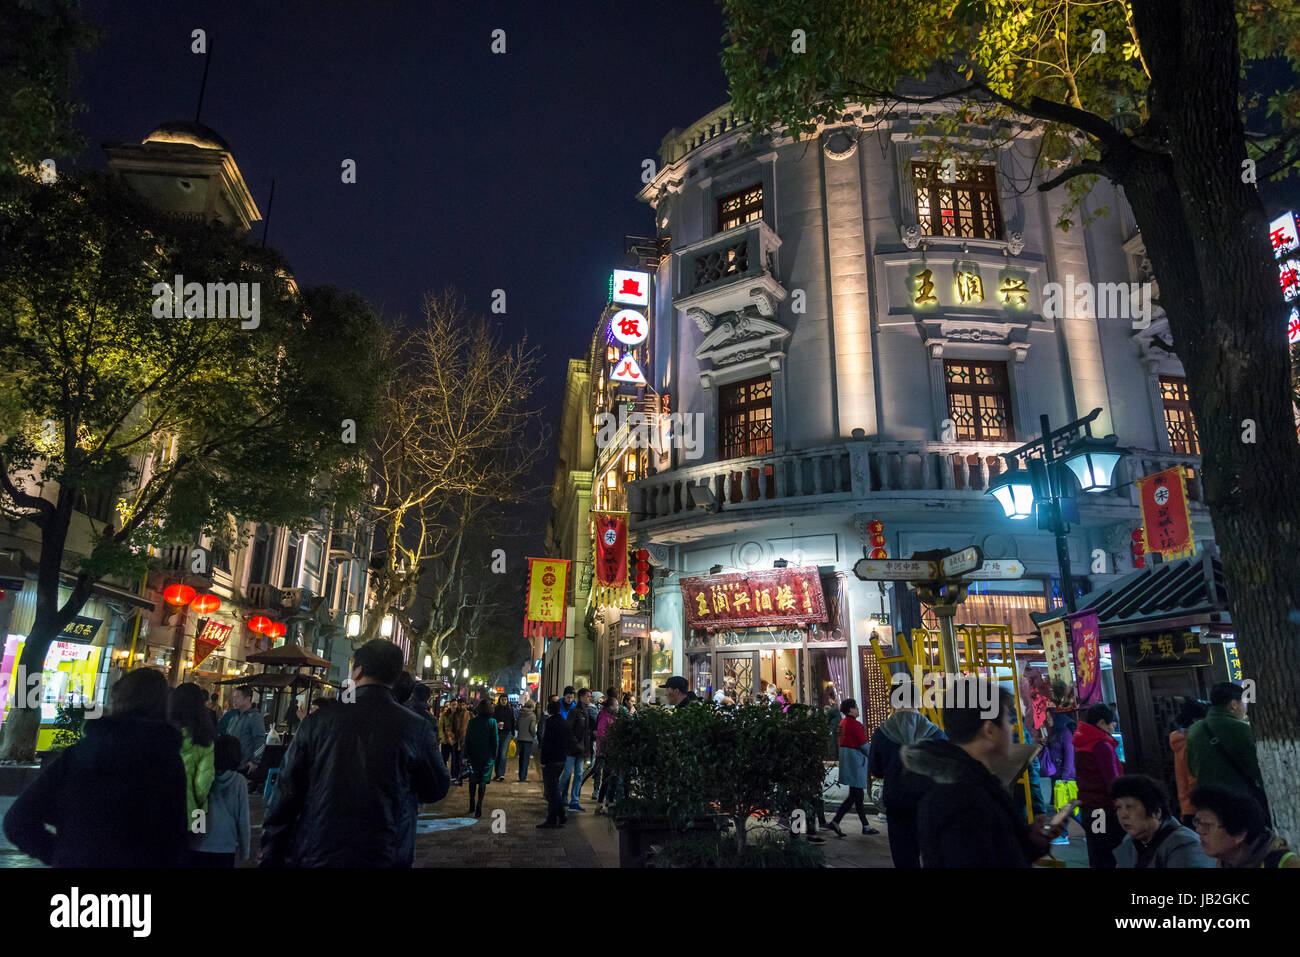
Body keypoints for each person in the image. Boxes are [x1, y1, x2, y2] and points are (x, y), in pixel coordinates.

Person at [260, 638, 450, 867]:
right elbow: (436, 787)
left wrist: (272, 854)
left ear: (358, 672)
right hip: (385, 852)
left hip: (319, 851)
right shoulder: (416, 728)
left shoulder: (318, 721)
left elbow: (285, 794)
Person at [3, 668, 188, 867]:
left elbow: (17, 821)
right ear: (163, 705)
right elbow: (172, 838)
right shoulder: (166, 759)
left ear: (117, 699)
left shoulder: (81, 753)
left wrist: (63, 854)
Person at [903, 678, 1065, 867]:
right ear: (989, 730)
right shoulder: (963, 801)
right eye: (1007, 720)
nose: (1010, 728)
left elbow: (999, 853)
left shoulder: (975, 783)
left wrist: (1032, 841)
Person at [868, 678, 945, 867]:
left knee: (904, 860)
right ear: (918, 701)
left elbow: (876, 769)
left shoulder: (882, 733)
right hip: (931, 807)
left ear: (893, 702)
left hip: (898, 808)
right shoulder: (936, 733)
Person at [1185, 682, 1269, 818]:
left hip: (1208, 804)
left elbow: (1192, 769)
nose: (1245, 708)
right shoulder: (1241, 729)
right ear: (1234, 704)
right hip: (1239, 803)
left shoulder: (1194, 730)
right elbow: (1258, 769)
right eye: (1244, 703)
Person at [1111, 774, 1213, 868]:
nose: (1123, 815)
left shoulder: (1185, 844)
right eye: (1119, 807)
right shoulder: (1129, 841)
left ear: (1156, 812)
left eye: (1130, 807)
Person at [1191, 785, 1297, 868]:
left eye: (1207, 825)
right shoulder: (1224, 863)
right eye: (1197, 822)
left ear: (1239, 834)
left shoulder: (1285, 864)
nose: (1199, 830)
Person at [1074, 702, 1125, 868]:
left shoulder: (1082, 743)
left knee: (1097, 850)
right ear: (1101, 723)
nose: (1114, 726)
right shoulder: (1101, 745)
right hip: (1103, 808)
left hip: (1090, 808)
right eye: (1111, 722)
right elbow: (1112, 779)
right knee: (1108, 851)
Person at [169, 682, 216, 856]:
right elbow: (202, 786)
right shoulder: (204, 739)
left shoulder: (162, 733)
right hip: (195, 815)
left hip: (163, 810)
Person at [193, 734, 251, 867]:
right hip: (225, 846)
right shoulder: (239, 782)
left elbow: (197, 808)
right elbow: (243, 819)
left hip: (198, 845)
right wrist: (244, 850)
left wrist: (195, 837)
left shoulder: (203, 776)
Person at [825, 699, 879, 837]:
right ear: (850, 710)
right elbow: (864, 745)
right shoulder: (856, 725)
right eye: (856, 707)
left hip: (846, 761)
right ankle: (839, 822)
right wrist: (875, 756)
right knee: (856, 795)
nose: (858, 709)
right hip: (856, 762)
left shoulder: (841, 724)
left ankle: (861, 825)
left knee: (856, 795)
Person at [1170, 698, 1208, 826]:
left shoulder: (1180, 740)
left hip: (1187, 805)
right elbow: (1194, 779)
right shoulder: (1192, 743)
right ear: (1195, 721)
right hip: (1199, 806)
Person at [536, 700, 570, 829]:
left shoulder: (550, 722)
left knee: (552, 790)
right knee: (554, 788)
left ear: (549, 710)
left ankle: (552, 818)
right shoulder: (564, 722)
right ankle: (561, 815)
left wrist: (543, 760)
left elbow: (547, 743)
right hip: (561, 759)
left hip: (551, 760)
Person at [218, 685, 266, 776]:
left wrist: (254, 761)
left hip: (244, 766)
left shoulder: (255, 718)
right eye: (234, 697)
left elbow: (261, 742)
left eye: (237, 697)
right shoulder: (234, 717)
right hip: (230, 766)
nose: (234, 700)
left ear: (247, 699)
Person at [463, 699, 498, 818]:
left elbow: (467, 739)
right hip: (487, 756)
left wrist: (465, 755)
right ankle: (479, 804)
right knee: (483, 780)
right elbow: (495, 740)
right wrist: (494, 755)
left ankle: (471, 802)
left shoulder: (472, 722)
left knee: (473, 780)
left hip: (473, 755)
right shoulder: (492, 722)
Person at [560, 687, 593, 811]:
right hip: (572, 749)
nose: (589, 698)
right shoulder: (575, 711)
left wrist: (586, 749)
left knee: (579, 774)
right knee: (568, 773)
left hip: (580, 750)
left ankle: (574, 801)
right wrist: (577, 744)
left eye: (590, 696)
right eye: (587, 696)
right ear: (581, 697)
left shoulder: (585, 711)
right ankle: (557, 796)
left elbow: (586, 733)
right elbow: (569, 730)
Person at [593, 694, 622, 813]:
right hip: (607, 752)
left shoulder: (612, 716)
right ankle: (603, 803)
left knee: (611, 777)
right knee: (608, 777)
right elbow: (601, 733)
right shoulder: (605, 717)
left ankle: (606, 803)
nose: (618, 707)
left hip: (611, 751)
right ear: (610, 707)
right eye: (616, 705)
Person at [492, 694, 515, 782]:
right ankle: (497, 773)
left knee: (503, 755)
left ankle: (501, 774)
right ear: (499, 700)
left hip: (507, 734)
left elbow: (513, 721)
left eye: (505, 700)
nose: (504, 701)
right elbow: (492, 720)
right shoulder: (495, 709)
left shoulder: (510, 710)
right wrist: (496, 724)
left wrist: (512, 732)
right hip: (497, 733)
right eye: (502, 699)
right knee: (496, 754)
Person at [516, 700, 538, 781]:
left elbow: (517, 726)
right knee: (525, 759)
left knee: (521, 758)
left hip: (520, 738)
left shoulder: (520, 714)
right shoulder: (532, 716)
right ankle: (523, 777)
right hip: (528, 740)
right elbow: (532, 728)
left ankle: (520, 775)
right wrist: (534, 735)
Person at [451, 697, 470, 785]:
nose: (462, 706)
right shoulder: (456, 714)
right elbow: (453, 726)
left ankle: (459, 778)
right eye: (460, 704)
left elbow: (465, 728)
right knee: (455, 758)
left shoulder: (467, 714)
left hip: (463, 740)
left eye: (463, 704)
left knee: (461, 759)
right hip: (456, 739)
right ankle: (455, 776)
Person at [437, 698, 456, 772]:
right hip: (445, 740)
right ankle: (443, 771)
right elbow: (440, 727)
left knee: (454, 759)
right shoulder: (444, 715)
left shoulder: (457, 715)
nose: (448, 707)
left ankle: (453, 773)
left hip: (454, 740)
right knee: (444, 758)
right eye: (447, 705)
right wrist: (442, 738)